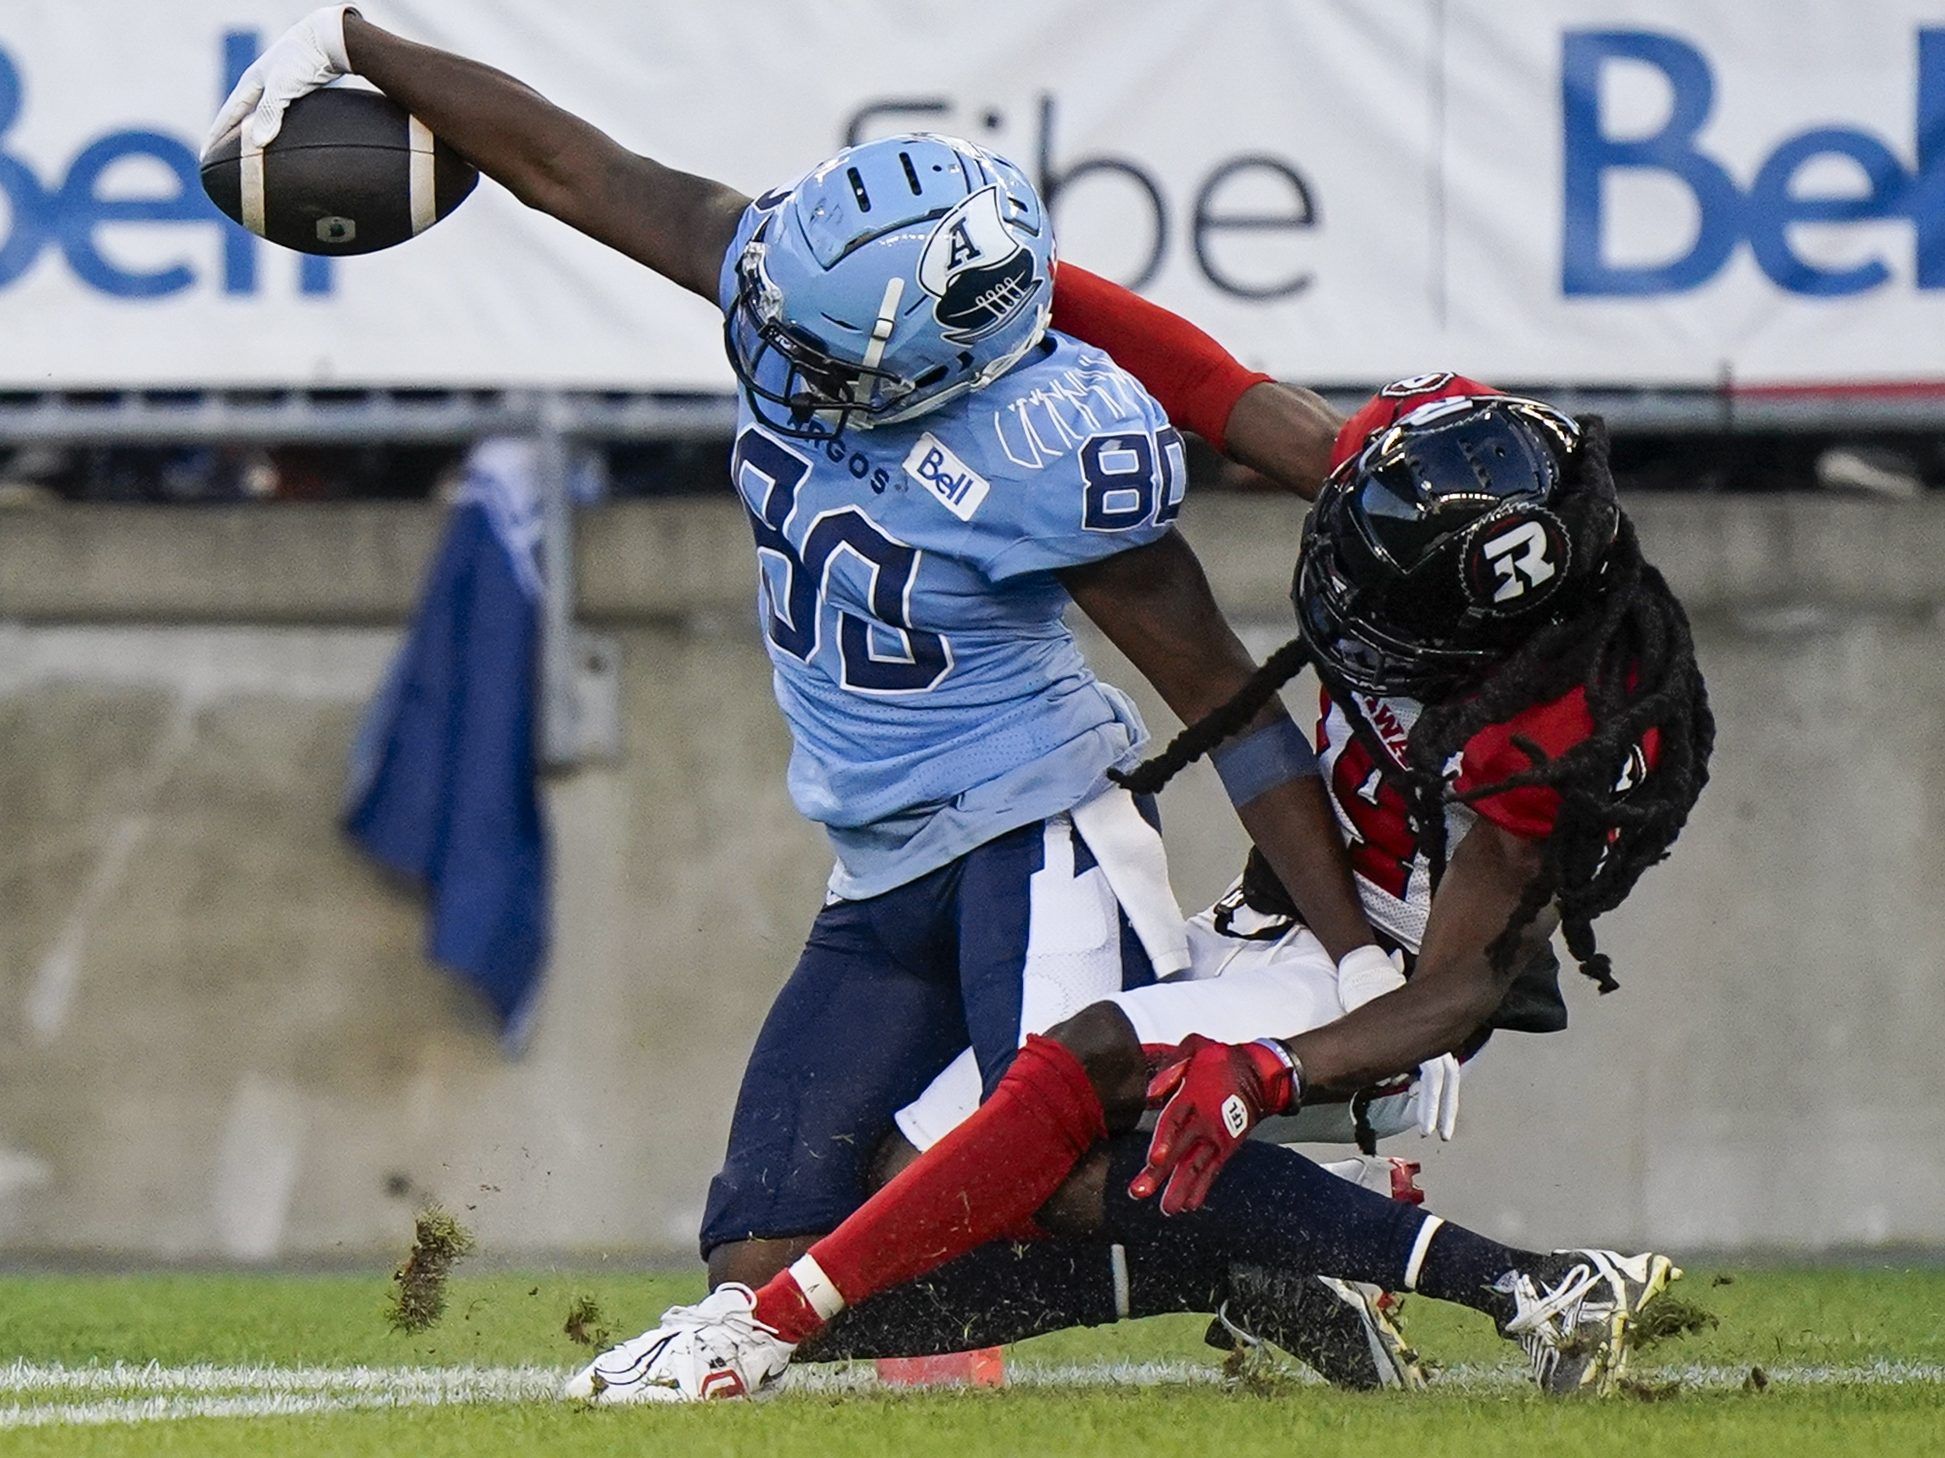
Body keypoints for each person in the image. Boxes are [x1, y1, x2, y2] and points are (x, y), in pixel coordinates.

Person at [209, 0, 1404, 1373]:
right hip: (880, 858)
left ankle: (1345, 1260)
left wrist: (1356, 953)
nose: (773, 357)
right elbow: (572, 168)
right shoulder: (799, 286)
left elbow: (1232, 702)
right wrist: (356, 41)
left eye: (817, 352)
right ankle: (1221, 1266)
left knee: (1018, 1179)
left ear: (945, 360)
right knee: (769, 1264)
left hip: (1038, 837)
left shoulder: (1049, 448)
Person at [560, 294, 1713, 1402]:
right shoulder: (1418, 484)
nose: (1350, 594)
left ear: (1484, 633)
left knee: (1079, 1069)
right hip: (1276, 927)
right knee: (894, 1215)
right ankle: (1243, 1263)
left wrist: (1282, 1068)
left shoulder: (1564, 719)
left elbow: (1460, 992)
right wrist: (1001, 289)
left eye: (1388, 599)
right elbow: (1207, 382)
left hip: (1392, 987)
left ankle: (1527, 1285)